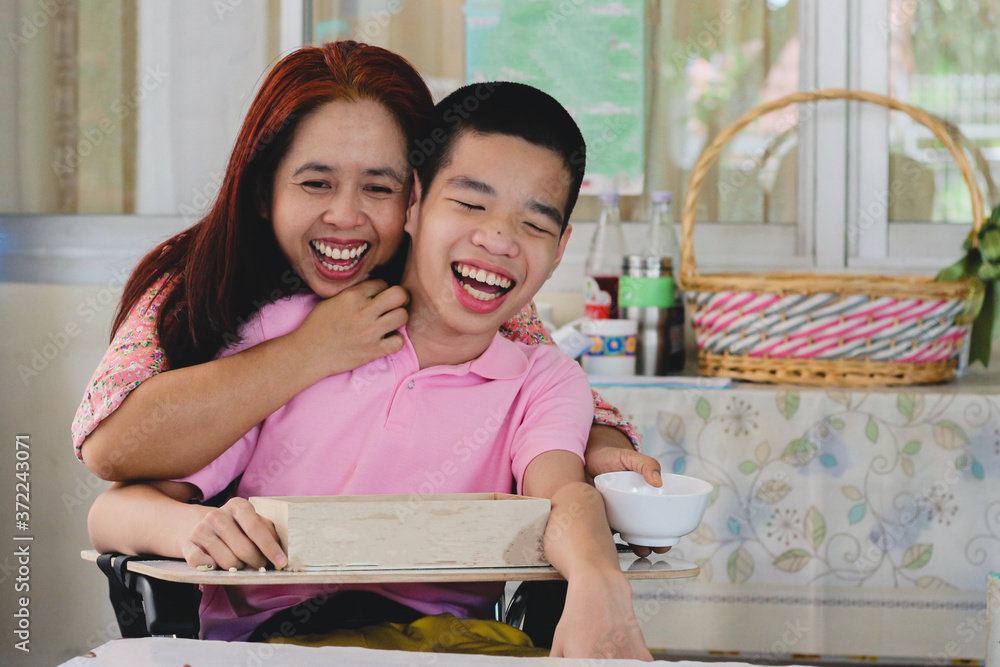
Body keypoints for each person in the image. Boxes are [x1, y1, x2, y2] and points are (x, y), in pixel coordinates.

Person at [89, 80, 653, 660]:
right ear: (417, 206)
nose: (498, 238)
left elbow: (563, 494)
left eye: (534, 224)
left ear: (560, 250)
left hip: (450, 648)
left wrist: (598, 580)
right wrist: (188, 529)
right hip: (275, 647)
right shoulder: (284, 334)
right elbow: (116, 502)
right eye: (470, 203)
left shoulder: (544, 378)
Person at [70, 42, 664, 517]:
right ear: (262, 188)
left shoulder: (452, 284)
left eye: (379, 188)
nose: (347, 217)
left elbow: (556, 393)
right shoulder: (198, 272)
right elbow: (109, 448)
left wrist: (603, 451)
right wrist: (309, 352)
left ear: (416, 199)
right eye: (315, 183)